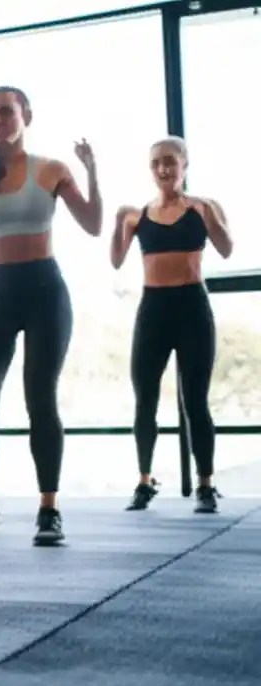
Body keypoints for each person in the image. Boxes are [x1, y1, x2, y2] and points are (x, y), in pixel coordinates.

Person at [0, 86, 103, 546]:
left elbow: (92, 224)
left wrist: (92, 172)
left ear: (25, 114)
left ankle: (49, 510)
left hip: (45, 291)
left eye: (6, 112)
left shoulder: (50, 168)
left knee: (40, 399)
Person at [112, 136, 232, 514]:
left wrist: (208, 213)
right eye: (156, 163)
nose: (163, 169)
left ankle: (206, 486)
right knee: (144, 399)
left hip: (192, 308)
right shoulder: (137, 215)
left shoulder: (204, 208)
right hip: (154, 311)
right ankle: (144, 481)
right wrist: (119, 222)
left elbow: (227, 248)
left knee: (195, 399)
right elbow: (116, 260)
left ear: (184, 165)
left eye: (170, 162)